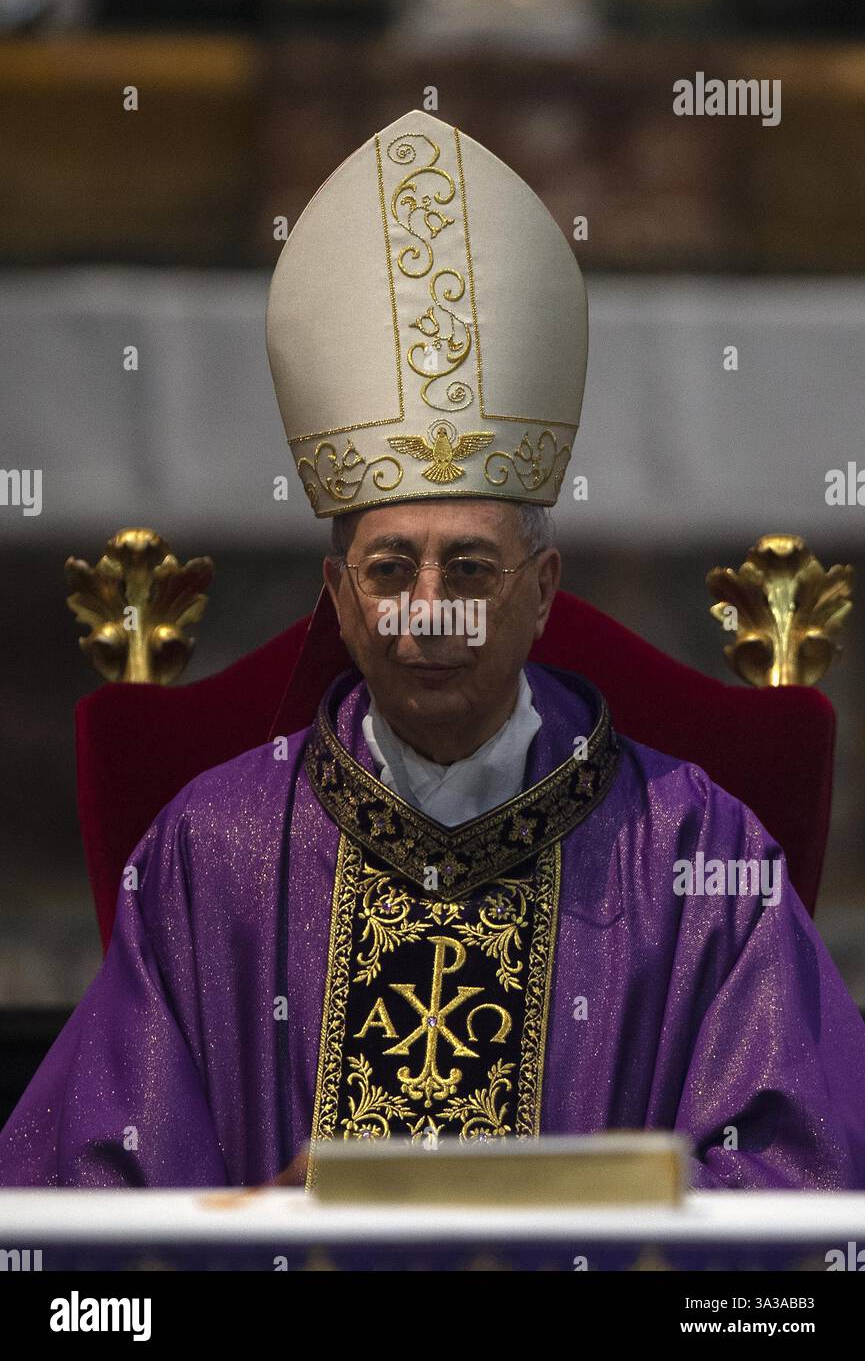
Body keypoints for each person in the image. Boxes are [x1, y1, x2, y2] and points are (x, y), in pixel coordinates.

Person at [1, 110, 864, 1191]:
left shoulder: (695, 852)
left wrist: (567, 1222)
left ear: (541, 593)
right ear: (338, 596)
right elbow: (90, 1186)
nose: (427, 609)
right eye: (388, 567)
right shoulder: (210, 852)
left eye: (468, 569)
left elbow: (803, 1170)